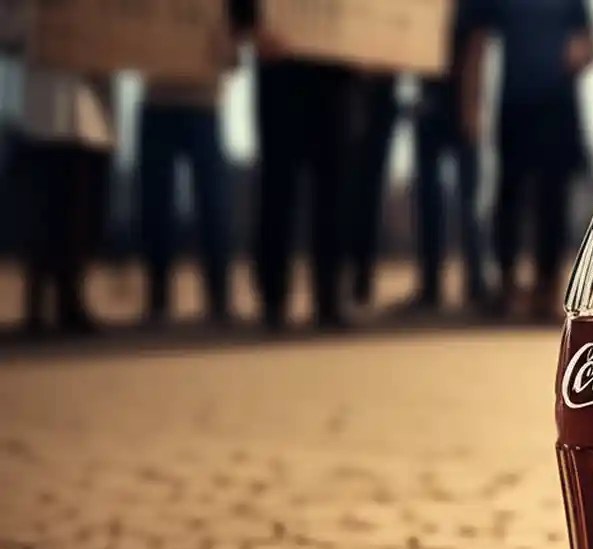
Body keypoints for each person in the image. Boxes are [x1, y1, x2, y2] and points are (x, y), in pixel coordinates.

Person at [472, 0, 593, 318]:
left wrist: (579, 54)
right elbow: (478, 41)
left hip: (557, 106)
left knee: (553, 199)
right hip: (515, 104)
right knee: (509, 196)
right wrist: (470, 102)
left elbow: (589, 41)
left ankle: (546, 288)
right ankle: (507, 285)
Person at [246, 1, 364, 330]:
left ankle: (330, 297)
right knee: (277, 187)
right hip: (281, 69)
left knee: (335, 190)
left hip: (336, 74)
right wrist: (253, 27)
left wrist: (372, 42)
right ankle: (273, 298)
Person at [137, 2, 250, 325]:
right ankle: (158, 299)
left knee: (213, 204)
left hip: (204, 101)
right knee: (156, 204)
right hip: (158, 96)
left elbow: (240, 31)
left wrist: (229, 46)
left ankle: (218, 299)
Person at [17, 65, 116, 335]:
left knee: (79, 219)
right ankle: (36, 307)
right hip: (42, 119)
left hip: (87, 120)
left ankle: (70, 302)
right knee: (41, 216)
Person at [416, 0, 495, 312]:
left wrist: (472, 107)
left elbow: (478, 46)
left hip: (463, 106)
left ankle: (476, 284)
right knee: (429, 200)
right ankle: (430, 286)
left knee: (470, 202)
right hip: (429, 104)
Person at [350, 71, 398, 308]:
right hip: (340, 87)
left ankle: (361, 283)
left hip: (381, 88)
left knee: (368, 195)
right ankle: (340, 282)